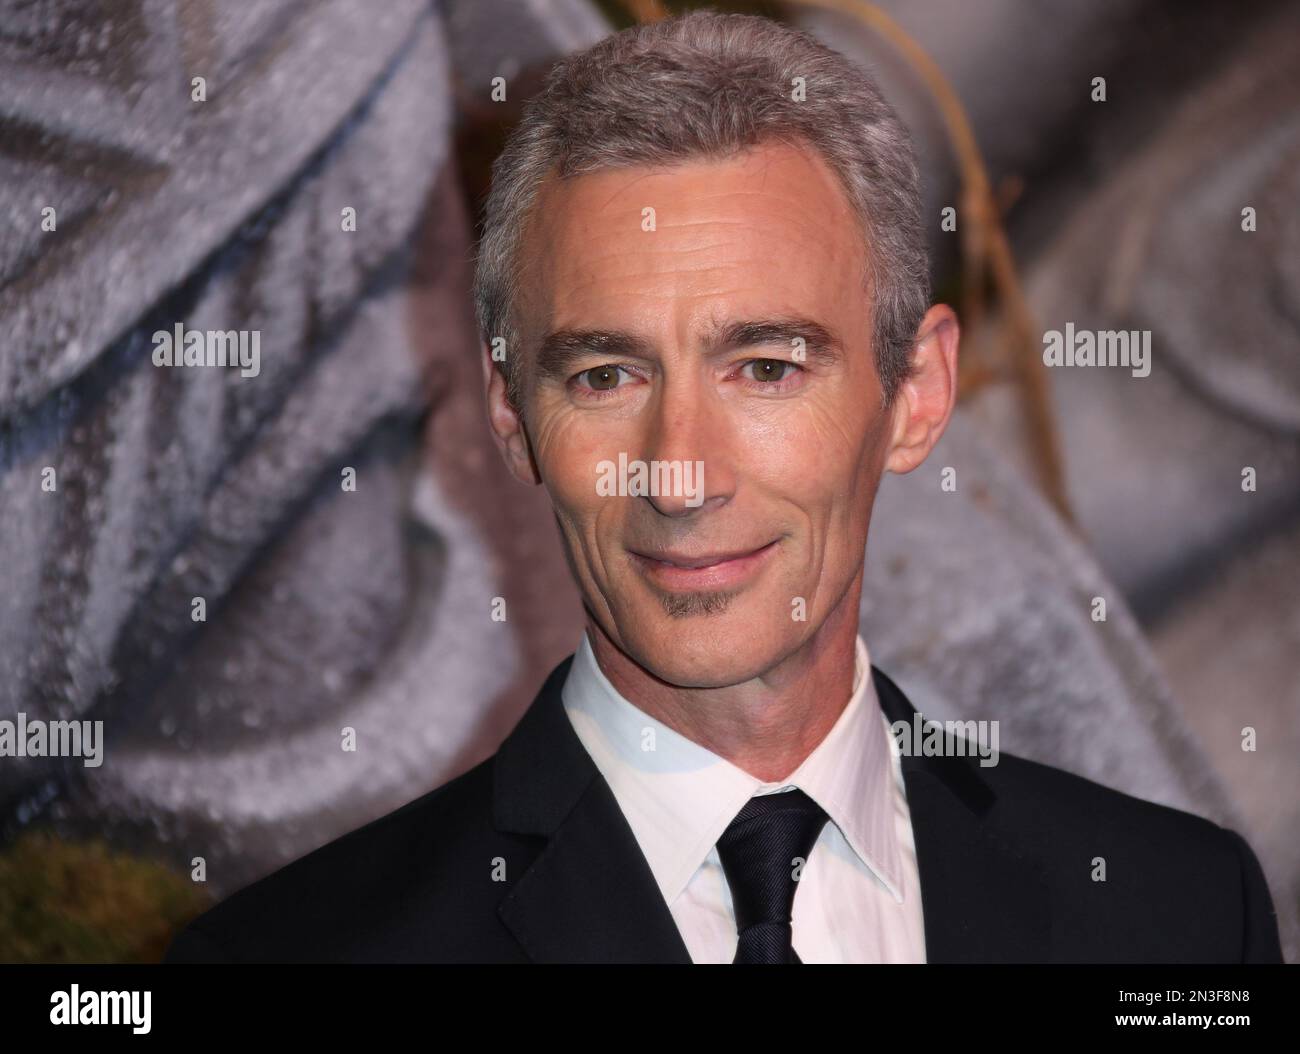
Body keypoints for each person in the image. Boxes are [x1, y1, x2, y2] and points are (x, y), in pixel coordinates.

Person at [164, 9, 1282, 964]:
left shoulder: (1173, 919)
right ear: (513, 416)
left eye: (765, 368)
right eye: (605, 374)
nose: (683, 470)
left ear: (916, 394)